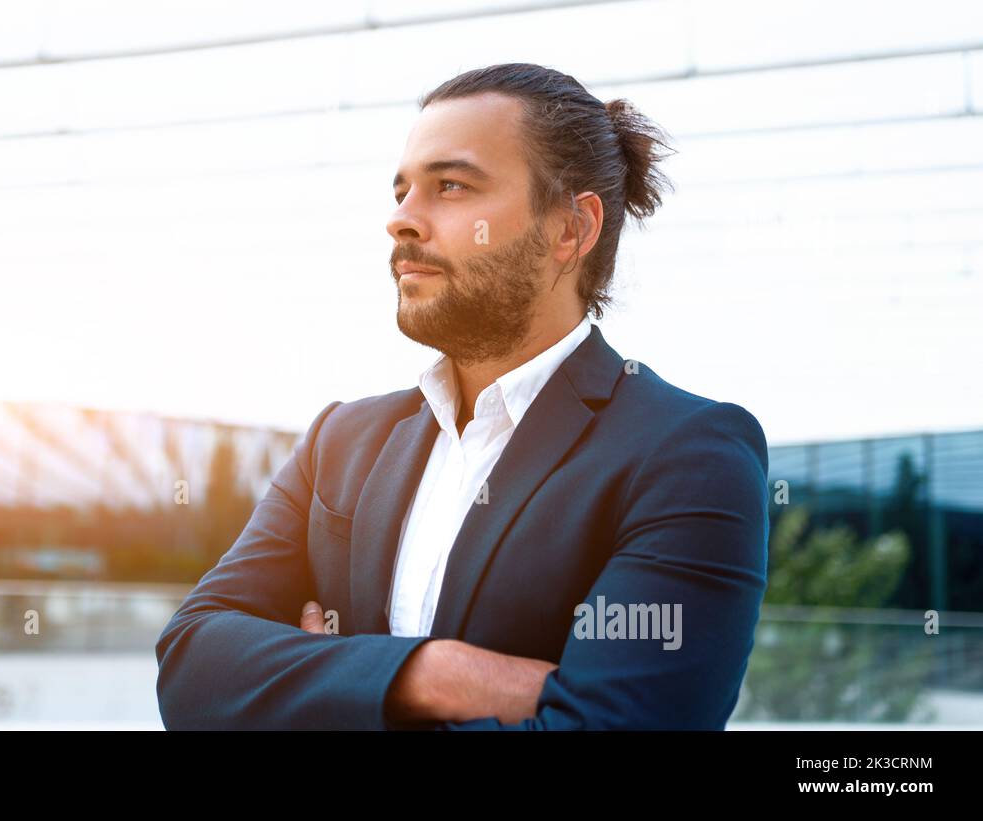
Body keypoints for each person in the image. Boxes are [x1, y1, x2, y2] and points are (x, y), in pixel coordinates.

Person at [155, 63, 769, 730]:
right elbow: (189, 667)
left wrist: (325, 683)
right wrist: (434, 674)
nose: (401, 220)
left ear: (570, 229)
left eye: (450, 186)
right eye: (401, 191)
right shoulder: (341, 440)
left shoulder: (689, 456)